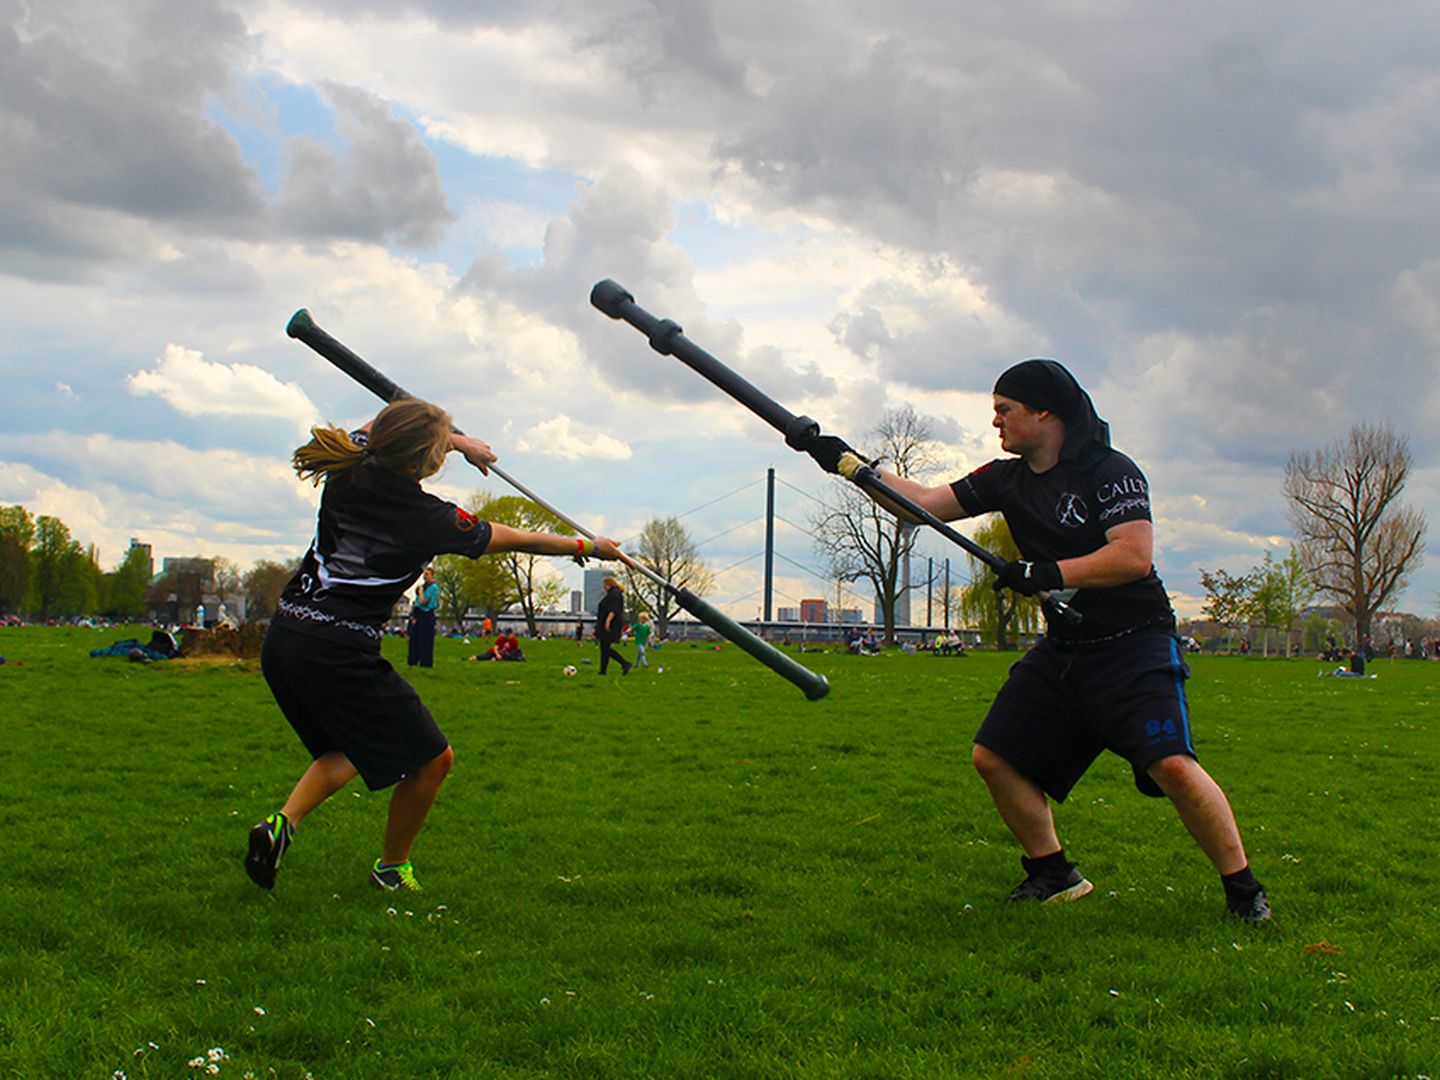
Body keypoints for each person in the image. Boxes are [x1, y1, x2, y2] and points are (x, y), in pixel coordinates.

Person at [811, 358, 1269, 923]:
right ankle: (1053, 873)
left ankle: (1244, 891)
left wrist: (1046, 572)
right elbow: (923, 506)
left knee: (1171, 766)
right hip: (1067, 649)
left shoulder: (1111, 471)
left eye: (1005, 410)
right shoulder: (1006, 479)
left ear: (1045, 411)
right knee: (995, 757)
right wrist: (851, 465)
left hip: (1134, 643)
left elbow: (1132, 555)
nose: (996, 422)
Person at [246, 398, 623, 894]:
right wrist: (588, 546)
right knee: (433, 760)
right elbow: (515, 537)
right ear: (419, 464)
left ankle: (281, 826)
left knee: (349, 746)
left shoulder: (350, 466)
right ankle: (392, 870)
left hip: (285, 639)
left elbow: (383, 421)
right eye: (441, 448)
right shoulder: (428, 518)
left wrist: (459, 441)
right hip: (339, 650)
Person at [596, 576, 631, 675]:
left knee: (605, 647)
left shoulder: (614, 594)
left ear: (608, 584)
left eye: (604, 585)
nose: (603, 587)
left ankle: (625, 663)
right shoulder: (613, 593)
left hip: (612, 623)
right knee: (604, 647)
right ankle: (603, 671)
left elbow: (613, 609)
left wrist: (608, 621)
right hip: (610, 622)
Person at [406, 566, 440, 667]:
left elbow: (423, 601)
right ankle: (413, 660)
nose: (425, 577)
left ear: (432, 576)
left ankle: (425, 662)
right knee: (414, 638)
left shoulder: (433, 588)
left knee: (425, 639)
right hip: (418, 613)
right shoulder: (423, 586)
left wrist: (420, 592)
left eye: (427, 575)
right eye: (424, 575)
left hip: (427, 613)